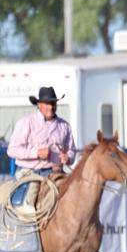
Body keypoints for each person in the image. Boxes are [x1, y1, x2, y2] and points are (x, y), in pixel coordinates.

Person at [7, 86, 76, 215]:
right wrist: (36, 153)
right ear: (39, 105)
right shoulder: (27, 123)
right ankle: (26, 231)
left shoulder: (64, 126)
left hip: (56, 173)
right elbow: (12, 150)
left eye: (53, 103)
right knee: (28, 207)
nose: (51, 107)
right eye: (47, 104)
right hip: (30, 172)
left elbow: (72, 150)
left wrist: (68, 157)